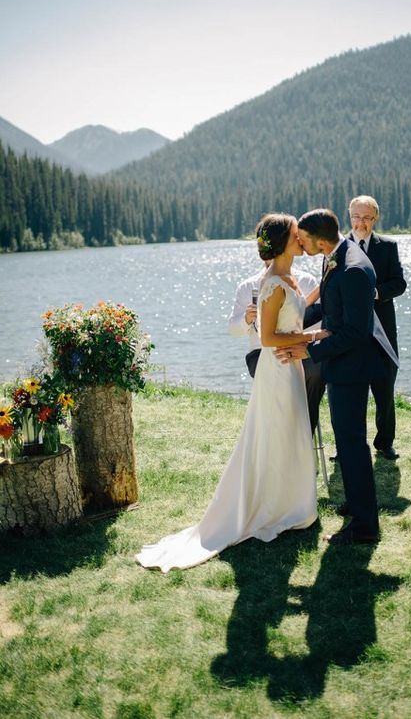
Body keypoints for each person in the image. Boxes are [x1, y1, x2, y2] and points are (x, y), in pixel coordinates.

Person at [135, 213, 328, 572]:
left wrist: (328, 287)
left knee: (290, 432)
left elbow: (300, 309)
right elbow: (268, 339)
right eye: (294, 233)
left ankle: (290, 502)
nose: (301, 236)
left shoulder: (292, 279)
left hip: (291, 366)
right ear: (283, 241)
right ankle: (272, 507)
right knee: (277, 433)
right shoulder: (269, 284)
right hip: (278, 368)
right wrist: (313, 338)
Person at [279, 208, 390, 545]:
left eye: (303, 239)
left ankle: (365, 527)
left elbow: (355, 333)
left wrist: (309, 351)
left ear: (320, 239)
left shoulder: (353, 268)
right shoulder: (335, 255)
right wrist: (294, 325)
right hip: (342, 364)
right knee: (349, 441)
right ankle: (358, 504)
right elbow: (331, 310)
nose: (300, 243)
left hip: (352, 368)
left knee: (351, 443)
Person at [228, 261, 325, 432]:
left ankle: (303, 432)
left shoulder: (306, 280)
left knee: (316, 371)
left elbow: (318, 321)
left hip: (298, 347)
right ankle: (275, 433)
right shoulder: (247, 286)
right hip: (260, 351)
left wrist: (301, 344)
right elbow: (234, 330)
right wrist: (246, 319)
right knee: (278, 372)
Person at [348, 195, 406, 460]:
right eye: (357, 217)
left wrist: (374, 293)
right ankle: (350, 444)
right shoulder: (339, 247)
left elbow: (399, 284)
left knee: (384, 390)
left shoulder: (388, 246)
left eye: (367, 218)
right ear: (350, 217)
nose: (361, 223)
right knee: (352, 394)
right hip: (350, 334)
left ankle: (385, 443)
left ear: (375, 218)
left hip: (383, 332)